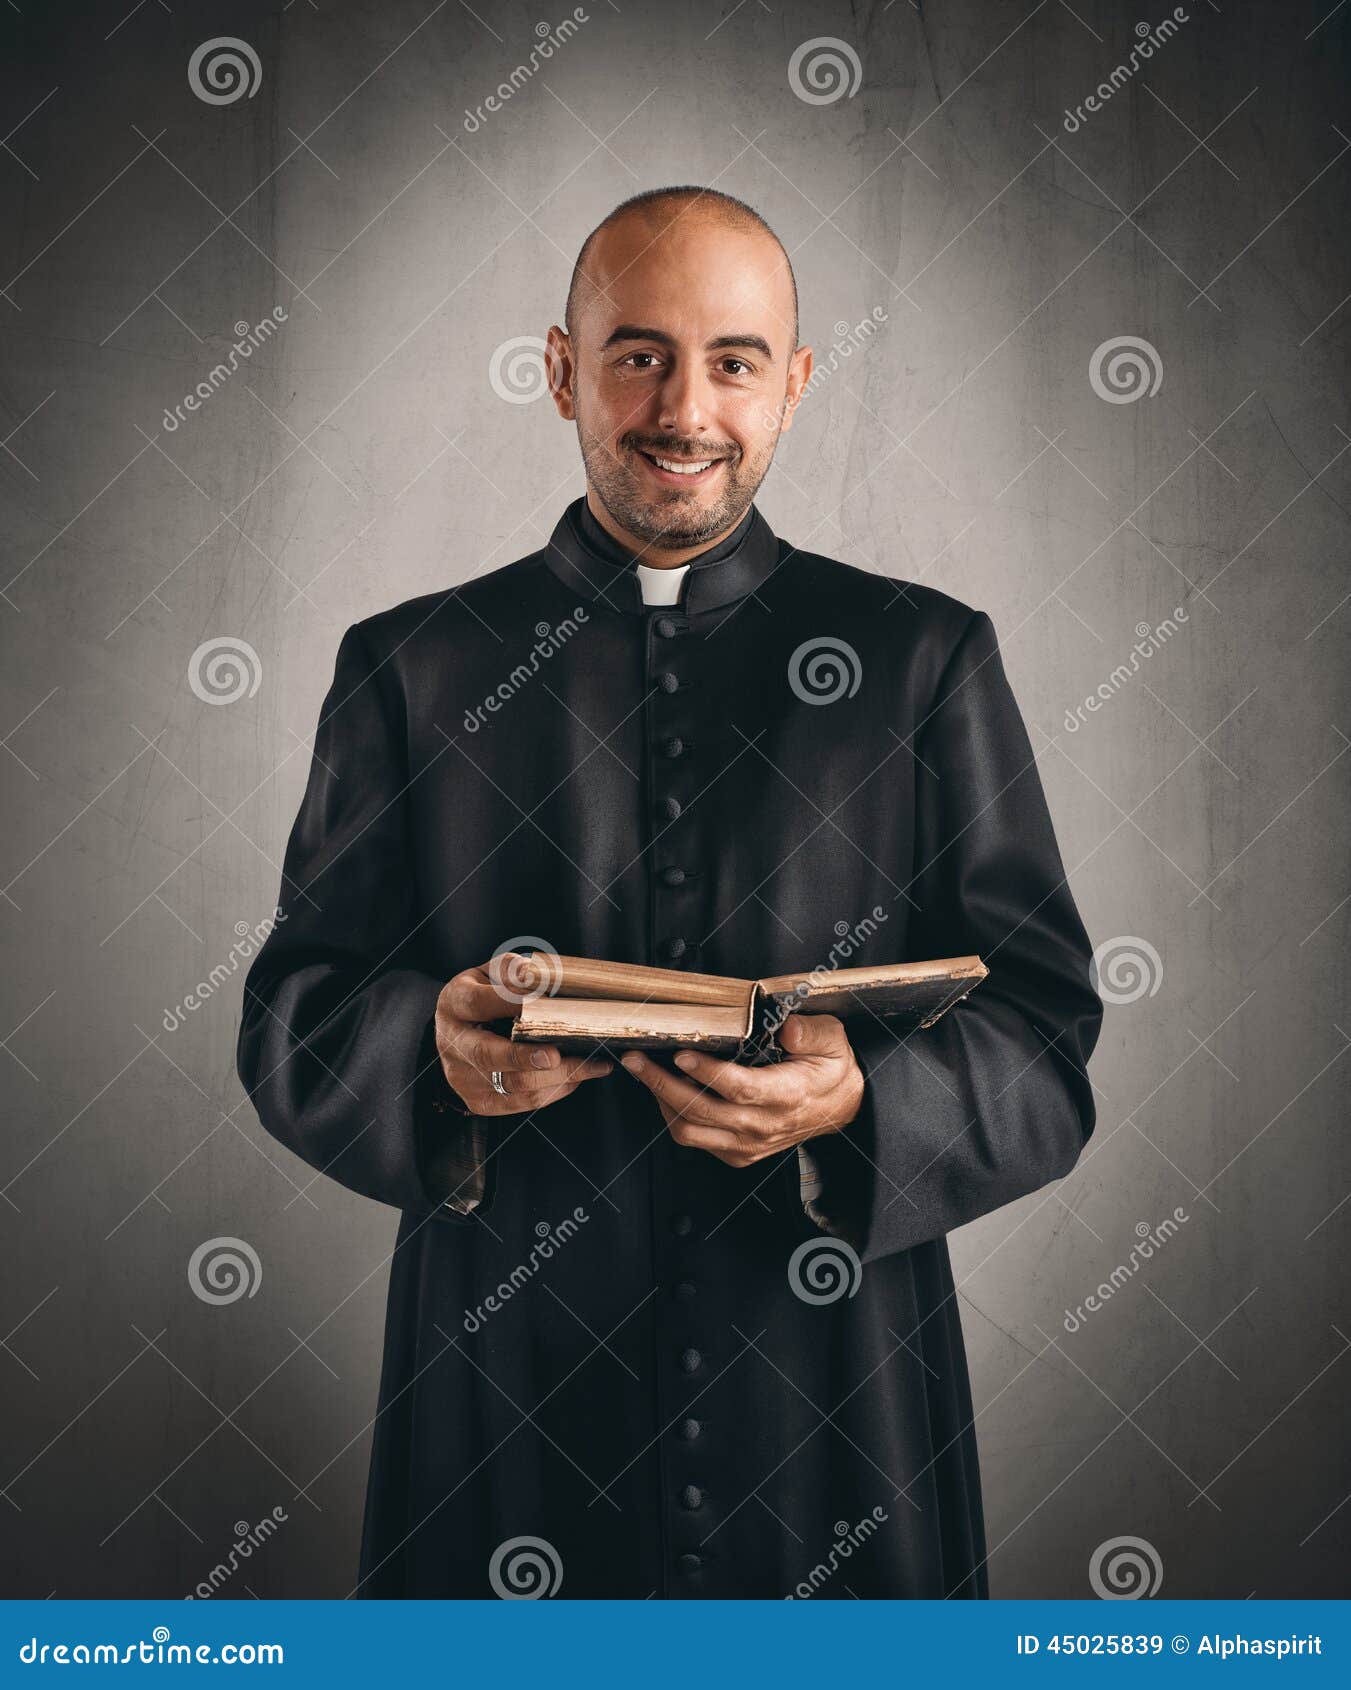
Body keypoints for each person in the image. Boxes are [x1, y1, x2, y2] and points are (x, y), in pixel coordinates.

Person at [237, 185, 1102, 1599]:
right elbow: (295, 1011)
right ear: (562, 369)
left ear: (796, 382)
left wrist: (862, 1100)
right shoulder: (413, 665)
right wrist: (429, 1055)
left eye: (734, 361)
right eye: (638, 354)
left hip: (836, 1401)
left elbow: (1049, 1039)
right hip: (502, 1388)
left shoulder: (922, 659)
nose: (684, 409)